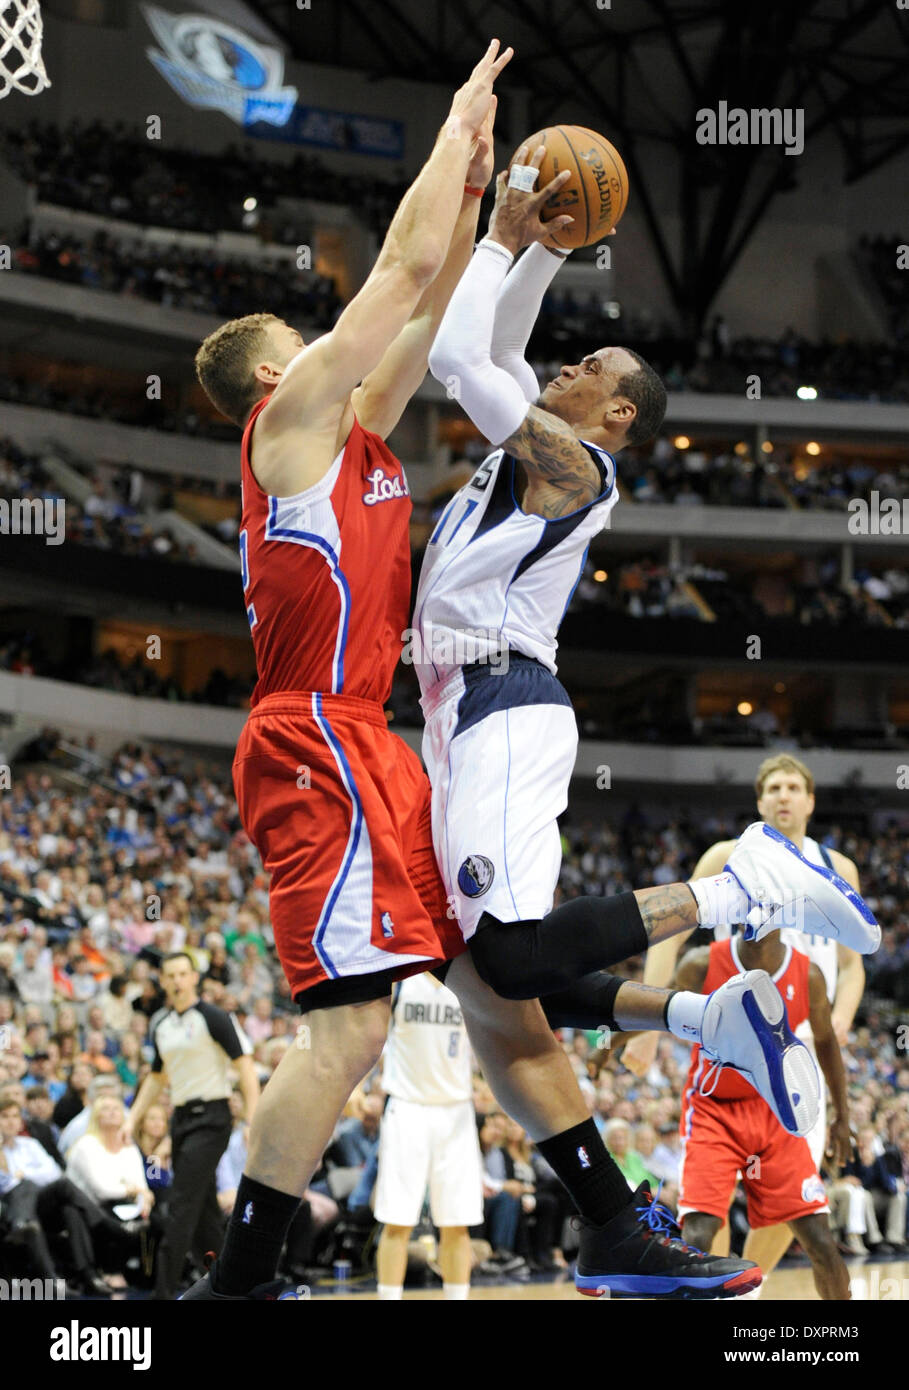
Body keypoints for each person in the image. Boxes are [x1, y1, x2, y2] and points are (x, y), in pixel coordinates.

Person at [183, 55, 873, 1301]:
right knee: (408, 1006)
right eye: (316, 343)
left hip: (422, 723)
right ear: (282, 379)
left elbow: (433, 322)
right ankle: (240, 1285)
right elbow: (406, 295)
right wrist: (460, 148)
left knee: (503, 989)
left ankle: (611, 1217)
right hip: (332, 738)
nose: (344, 349)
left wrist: (494, 234)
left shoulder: (370, 440)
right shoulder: (291, 434)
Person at [624, 752, 868, 1272]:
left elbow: (853, 965)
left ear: (810, 801)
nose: (784, 796)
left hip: (800, 1046)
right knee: (706, 1203)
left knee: (793, 1203)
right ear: (760, 801)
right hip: (732, 1040)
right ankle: (721, 1284)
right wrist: (648, 1019)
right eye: (774, 788)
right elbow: (670, 932)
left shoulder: (837, 867)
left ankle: (741, 1286)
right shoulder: (724, 857)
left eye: (793, 787)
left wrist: (842, 1014)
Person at [673, 927, 852, 1300]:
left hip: (775, 1111)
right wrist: (608, 1044)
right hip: (714, 1110)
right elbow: (658, 1011)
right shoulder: (701, 964)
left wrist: (843, 1117)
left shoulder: (809, 975)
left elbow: (826, 1043)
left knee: (821, 1242)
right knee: (697, 1236)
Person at [127, 951, 259, 1298]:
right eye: (170, 975)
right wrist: (132, 1117)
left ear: (194, 978)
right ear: (164, 981)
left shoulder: (214, 1017)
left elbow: (244, 1066)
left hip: (212, 1118)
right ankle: (228, 1286)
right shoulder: (162, 1024)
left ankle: (163, 1294)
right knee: (202, 1213)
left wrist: (251, 1117)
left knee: (181, 1203)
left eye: (183, 974)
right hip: (181, 1118)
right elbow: (157, 1078)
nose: (177, 981)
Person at [374, 972, 483, 1300]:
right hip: (406, 1107)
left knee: (457, 1221)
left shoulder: (469, 979)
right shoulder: (400, 979)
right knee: (396, 1221)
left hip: (457, 1110)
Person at [0, 1090, 130, 1296]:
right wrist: (21, 1177)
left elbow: (52, 1173)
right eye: (4, 1116)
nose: (10, 1122)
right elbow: (6, 1184)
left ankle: (85, 1275)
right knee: (32, 1191)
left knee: (66, 1198)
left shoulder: (30, 1144)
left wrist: (23, 1173)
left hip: (40, 1206)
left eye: (15, 1116)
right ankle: (105, 1228)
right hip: (9, 1208)